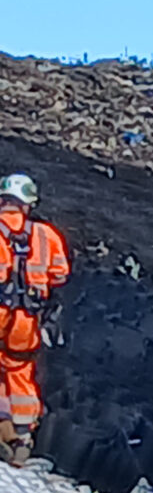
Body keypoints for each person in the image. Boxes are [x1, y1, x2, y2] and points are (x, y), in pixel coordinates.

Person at [0, 174, 71, 468]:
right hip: (26, 319)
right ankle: (20, 439)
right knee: (19, 371)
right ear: (27, 205)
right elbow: (60, 275)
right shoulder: (47, 235)